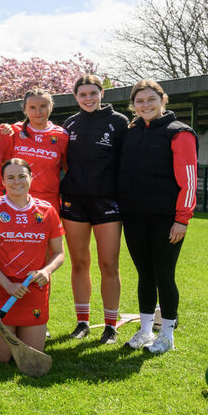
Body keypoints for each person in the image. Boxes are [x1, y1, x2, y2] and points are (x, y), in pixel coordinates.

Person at [118, 80, 198, 354]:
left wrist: (182, 219)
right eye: (139, 101)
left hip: (167, 219)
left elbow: (189, 182)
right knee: (144, 275)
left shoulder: (179, 133)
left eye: (151, 99)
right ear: (133, 105)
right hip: (135, 216)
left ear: (163, 100)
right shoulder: (130, 132)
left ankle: (167, 334)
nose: (145, 105)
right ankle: (145, 330)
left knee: (164, 274)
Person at [0, 159, 66, 363]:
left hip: (32, 289)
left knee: (31, 356)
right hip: (1, 288)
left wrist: (47, 271)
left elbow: (59, 253)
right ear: (3, 181)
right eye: (11, 177)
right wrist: (7, 284)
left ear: (31, 178)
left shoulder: (47, 210)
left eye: (22, 176)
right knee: (1, 357)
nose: (17, 181)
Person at [59, 74, 128, 343]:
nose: (88, 99)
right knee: (80, 263)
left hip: (108, 202)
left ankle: (111, 324)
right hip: (74, 201)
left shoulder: (119, 122)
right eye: (83, 94)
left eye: (93, 93)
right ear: (76, 97)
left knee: (109, 264)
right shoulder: (70, 123)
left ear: (102, 94)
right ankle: (82, 322)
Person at [9, 89, 68, 212]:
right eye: (32, 107)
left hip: (49, 201)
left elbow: (68, 169)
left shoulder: (62, 135)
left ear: (51, 106)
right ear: (25, 109)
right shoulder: (13, 131)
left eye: (43, 106)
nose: (38, 112)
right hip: (16, 199)